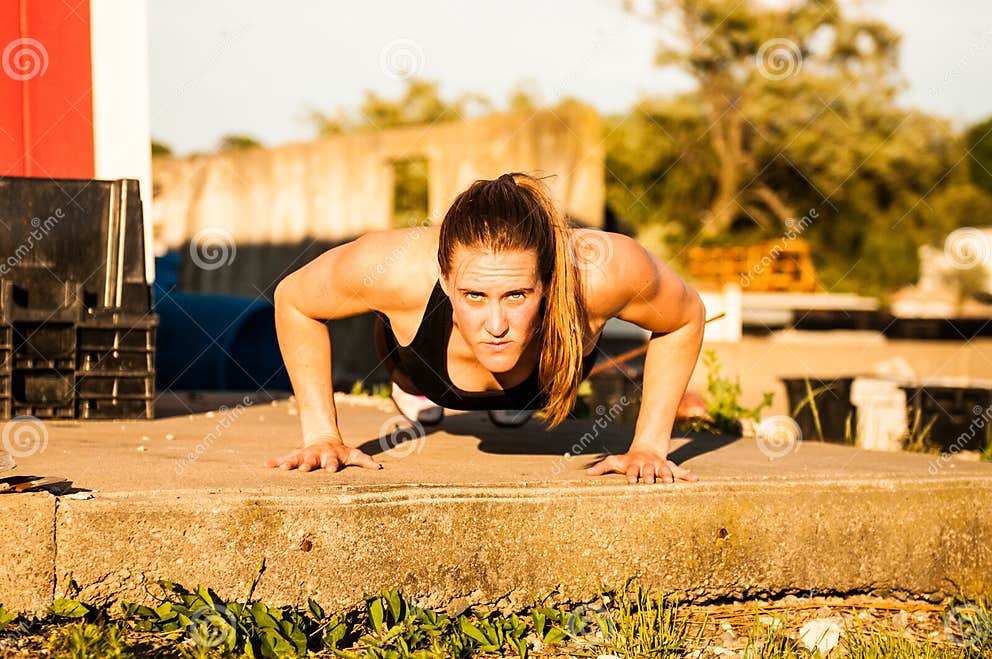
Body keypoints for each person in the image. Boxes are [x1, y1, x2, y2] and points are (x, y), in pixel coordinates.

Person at [263, 172, 705, 484]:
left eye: (517, 295)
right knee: (421, 368)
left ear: (548, 281)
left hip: (542, 380)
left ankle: (515, 396)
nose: (496, 325)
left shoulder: (603, 271)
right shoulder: (396, 267)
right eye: (474, 296)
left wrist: (649, 445)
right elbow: (294, 300)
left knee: (526, 379)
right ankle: (416, 395)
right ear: (444, 280)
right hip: (423, 373)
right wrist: (322, 435)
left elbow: (685, 317)